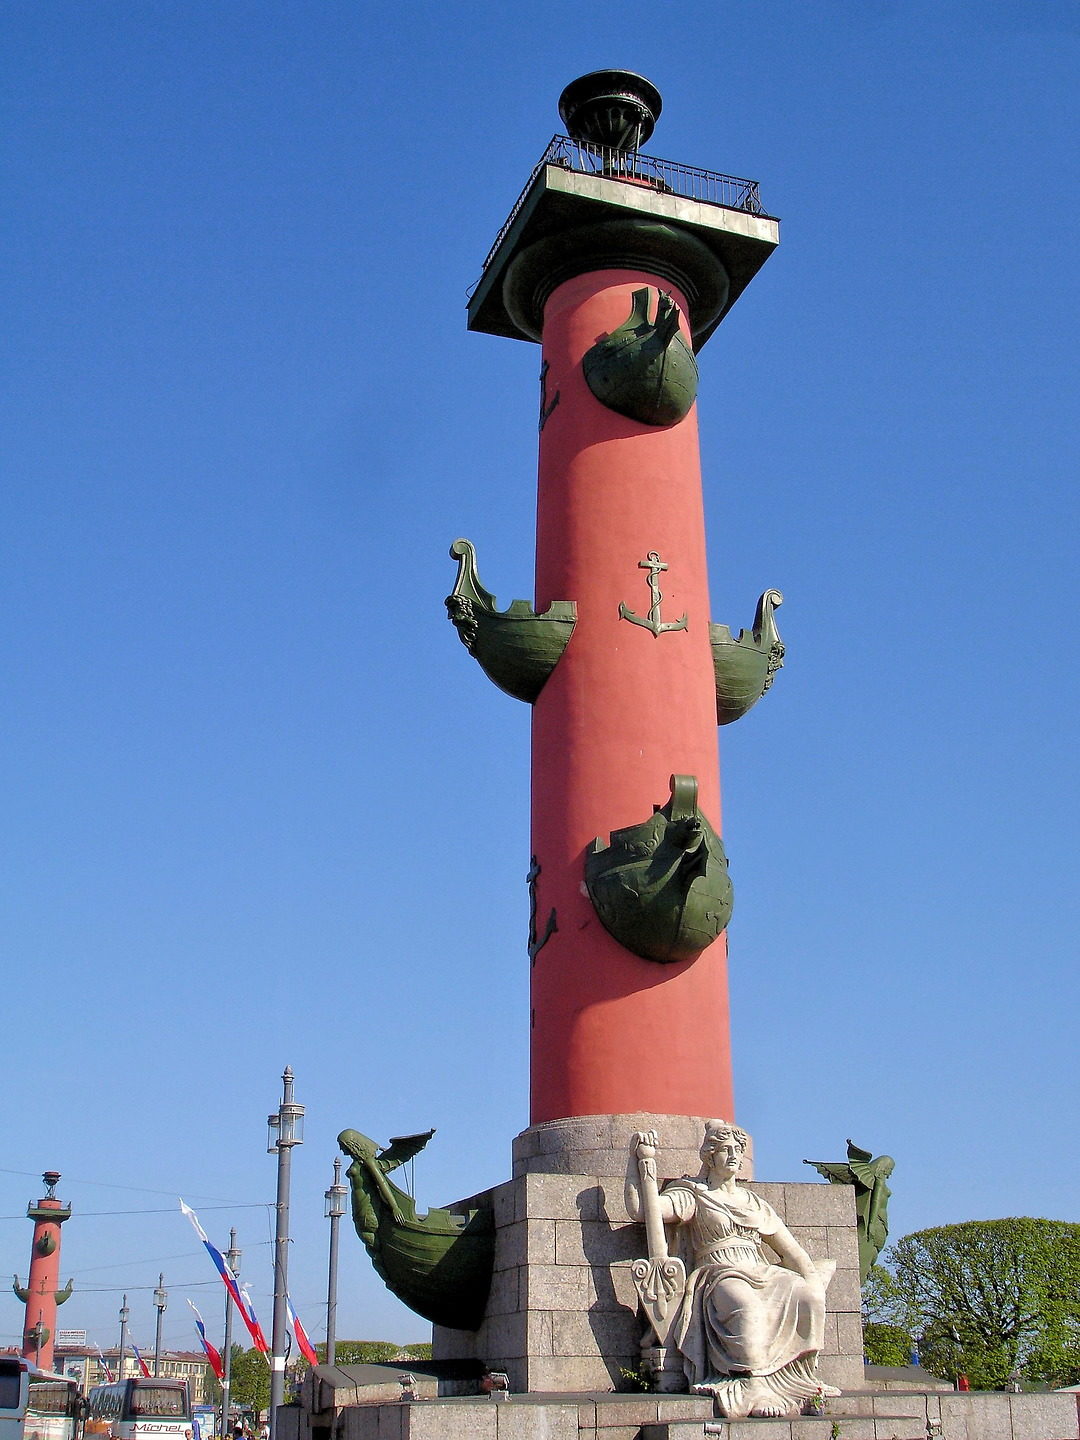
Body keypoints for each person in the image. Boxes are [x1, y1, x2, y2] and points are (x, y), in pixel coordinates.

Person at [626, 1120, 836, 1419]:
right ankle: (753, 1384)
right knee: (745, 1305)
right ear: (710, 1156)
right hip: (718, 1272)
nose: (734, 1155)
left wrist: (812, 1281)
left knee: (807, 1295)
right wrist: (641, 1163)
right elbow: (642, 1211)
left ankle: (799, 1380)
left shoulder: (754, 1203)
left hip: (761, 1271)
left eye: (738, 1149)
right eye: (726, 1150)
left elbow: (790, 1252)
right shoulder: (693, 1194)